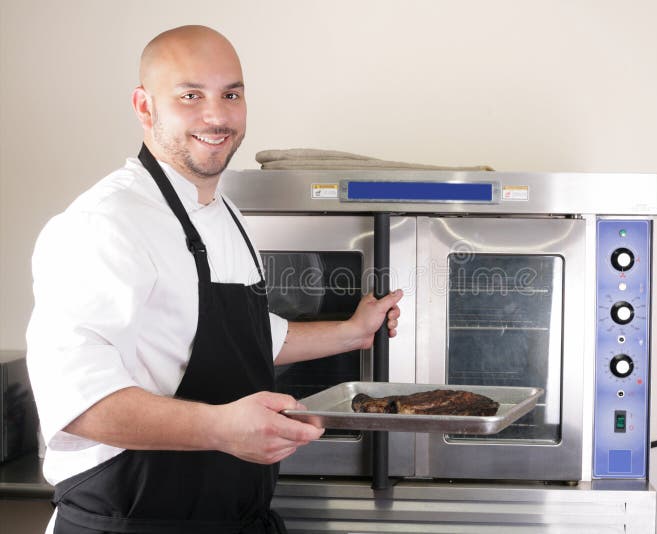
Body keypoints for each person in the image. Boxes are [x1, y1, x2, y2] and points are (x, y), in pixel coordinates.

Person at [25, 25, 402, 534]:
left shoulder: (229, 217)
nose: (217, 116)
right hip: (132, 523)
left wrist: (353, 332)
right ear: (144, 106)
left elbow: (243, 337)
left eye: (231, 94)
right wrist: (222, 428)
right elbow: (77, 401)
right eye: (190, 96)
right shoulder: (104, 221)